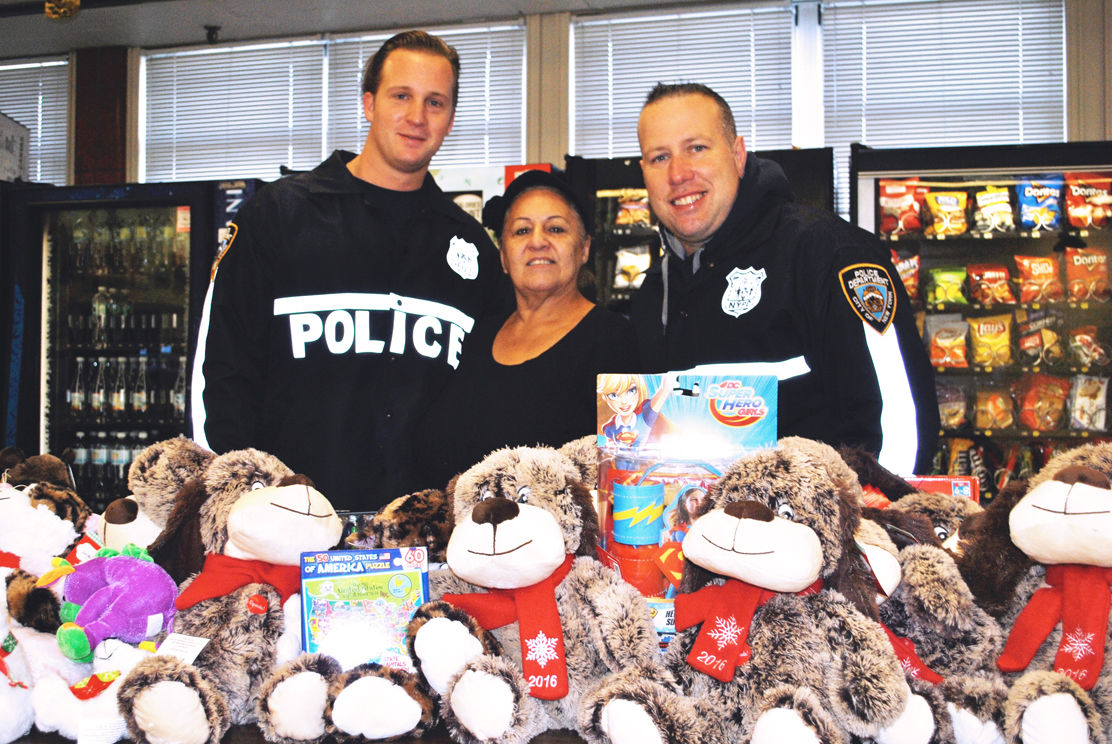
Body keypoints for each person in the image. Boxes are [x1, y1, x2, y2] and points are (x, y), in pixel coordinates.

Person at [191, 31, 509, 512]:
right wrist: (242, 502)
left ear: (450, 119)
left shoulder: (470, 248)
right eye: (401, 96)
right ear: (368, 103)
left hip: (422, 537)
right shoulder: (276, 217)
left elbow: (488, 399)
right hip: (287, 528)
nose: (417, 118)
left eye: (435, 102)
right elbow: (220, 375)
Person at [631, 82, 939, 475]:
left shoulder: (826, 254)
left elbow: (901, 428)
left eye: (696, 148)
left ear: (738, 156)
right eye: (659, 157)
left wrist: (872, 528)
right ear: (645, 174)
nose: (678, 174)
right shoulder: (655, 290)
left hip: (817, 530)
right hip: (691, 530)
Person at [414, 169, 638, 489]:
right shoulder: (477, 336)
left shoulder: (614, 341)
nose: (537, 242)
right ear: (503, 256)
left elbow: (622, 472)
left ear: (584, 248)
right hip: (463, 534)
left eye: (556, 228)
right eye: (521, 231)